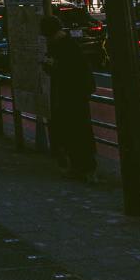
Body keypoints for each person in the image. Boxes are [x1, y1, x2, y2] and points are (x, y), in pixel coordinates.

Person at [40, 13, 97, 180]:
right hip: (75, 94)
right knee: (78, 131)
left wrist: (51, 67)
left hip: (71, 95)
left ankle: (82, 167)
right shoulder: (67, 44)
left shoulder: (63, 47)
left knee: (74, 131)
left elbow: (67, 71)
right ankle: (83, 166)